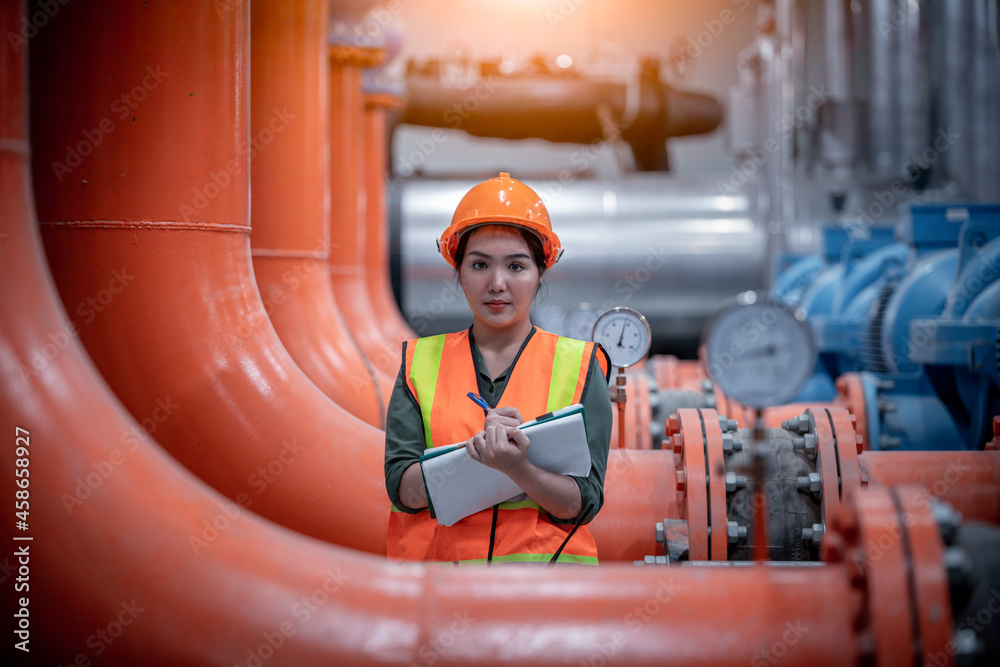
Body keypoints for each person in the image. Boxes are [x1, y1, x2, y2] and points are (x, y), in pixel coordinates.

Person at [384, 172, 613, 565]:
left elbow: (584, 501)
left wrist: (518, 468)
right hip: (438, 596)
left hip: (541, 600)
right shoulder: (418, 364)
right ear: (458, 271)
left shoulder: (581, 366)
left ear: (542, 272)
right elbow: (401, 487)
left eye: (517, 267)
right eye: (479, 265)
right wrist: (478, 463)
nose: (497, 283)